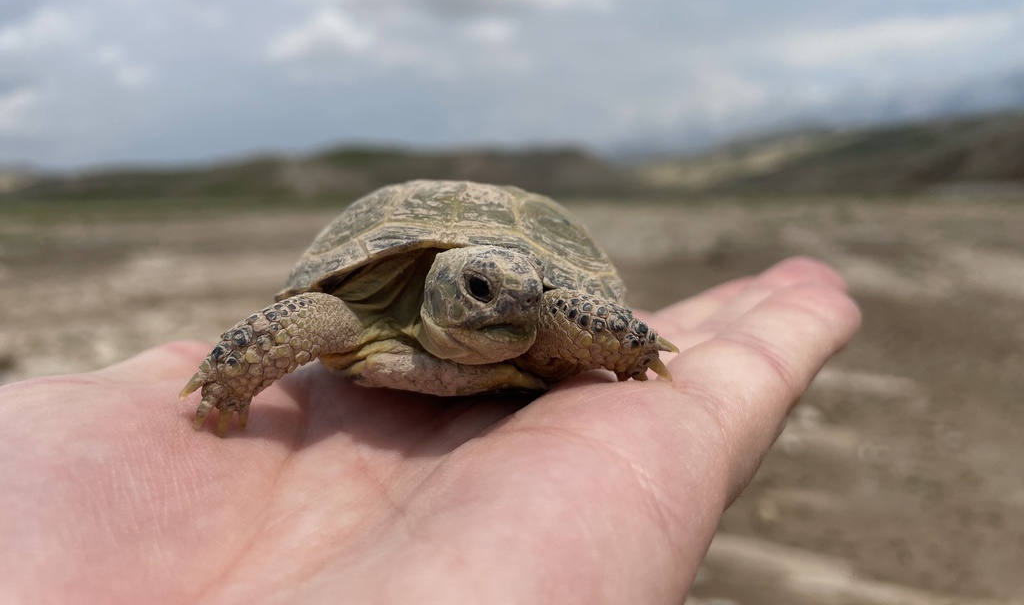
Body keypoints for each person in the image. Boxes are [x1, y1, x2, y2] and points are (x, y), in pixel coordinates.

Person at [0, 257, 859, 604]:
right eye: (483, 293)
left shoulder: (533, 313)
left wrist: (627, 345)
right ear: (441, 287)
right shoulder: (350, 313)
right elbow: (301, 314)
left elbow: (567, 314)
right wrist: (231, 384)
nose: (514, 309)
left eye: (530, 300)